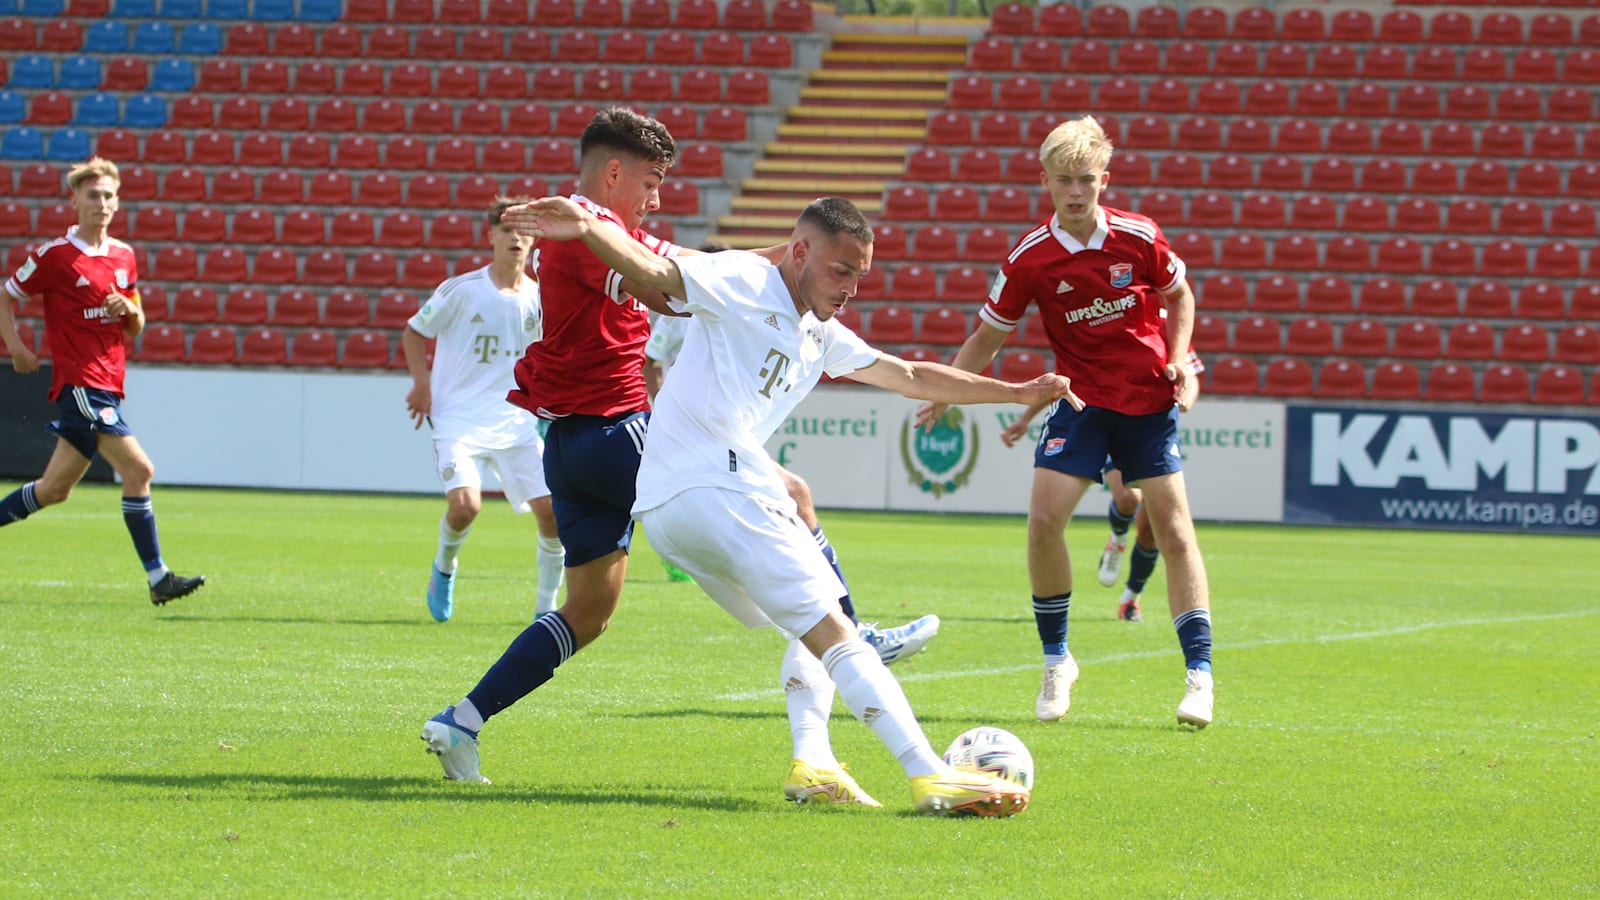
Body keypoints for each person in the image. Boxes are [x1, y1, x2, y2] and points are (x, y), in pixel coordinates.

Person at [510, 193, 1076, 815]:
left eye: (860, 276)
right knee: (838, 630)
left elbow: (911, 376)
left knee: (812, 621)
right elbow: (658, 274)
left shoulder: (819, 333)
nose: (851, 287)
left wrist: (1017, 389)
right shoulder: (743, 279)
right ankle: (930, 774)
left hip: (681, 508)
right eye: (841, 270)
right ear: (801, 251)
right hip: (717, 490)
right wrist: (588, 226)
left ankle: (815, 761)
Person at [917, 115, 1215, 729]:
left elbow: (1179, 296)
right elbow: (987, 336)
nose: (1074, 192)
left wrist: (1181, 359)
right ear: (1046, 182)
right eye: (1062, 181)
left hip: (1147, 404)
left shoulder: (1140, 237)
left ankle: (1199, 675)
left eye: (1085, 179)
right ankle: (1057, 661)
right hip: (1080, 405)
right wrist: (947, 390)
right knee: (1043, 522)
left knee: (1176, 531)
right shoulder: (1030, 257)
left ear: (1104, 180)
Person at [643, 247, 941, 669]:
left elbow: (910, 375)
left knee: (797, 516)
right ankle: (857, 643)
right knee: (802, 593)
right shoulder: (720, 293)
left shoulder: (789, 316)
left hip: (722, 441)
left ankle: (850, 640)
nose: (851, 288)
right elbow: (651, 352)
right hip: (689, 441)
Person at [0, 156, 205, 605]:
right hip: (82, 385)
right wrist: (16, 347)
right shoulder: (55, 255)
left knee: (53, 490)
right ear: (73, 200)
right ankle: (158, 578)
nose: (102, 203)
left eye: (109, 195)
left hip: (109, 382)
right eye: (93, 195)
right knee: (139, 470)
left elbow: (136, 324)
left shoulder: (123, 255)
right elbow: (6, 296)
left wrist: (128, 310)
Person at [402, 197, 565, 623]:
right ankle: (444, 567)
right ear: (491, 235)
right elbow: (414, 331)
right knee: (465, 507)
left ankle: (546, 610)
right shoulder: (462, 290)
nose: (515, 237)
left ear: (533, 239)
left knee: (553, 515)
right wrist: (422, 383)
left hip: (516, 422)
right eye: (506, 229)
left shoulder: (541, 299)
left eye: (523, 229)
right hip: (458, 418)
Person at [1002, 350, 1204, 625]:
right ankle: (1119, 537)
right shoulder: (1114, 318)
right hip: (1108, 421)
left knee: (1152, 530)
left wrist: (1185, 399)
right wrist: (1026, 418)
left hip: (1152, 427)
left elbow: (1190, 375)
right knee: (1128, 499)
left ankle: (1131, 598)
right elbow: (1064, 381)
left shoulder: (1173, 325)